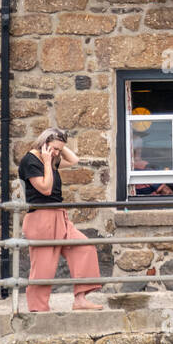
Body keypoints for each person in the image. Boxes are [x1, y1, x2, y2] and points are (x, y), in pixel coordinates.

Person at [17, 127, 103, 312]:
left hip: (59, 216)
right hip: (41, 218)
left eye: (59, 149)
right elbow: (46, 189)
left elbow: (74, 160)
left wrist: (60, 145)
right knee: (43, 267)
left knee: (84, 247)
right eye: (54, 148)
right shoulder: (30, 161)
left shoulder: (53, 157)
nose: (57, 153)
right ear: (43, 143)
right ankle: (37, 309)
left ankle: (80, 299)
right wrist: (48, 161)